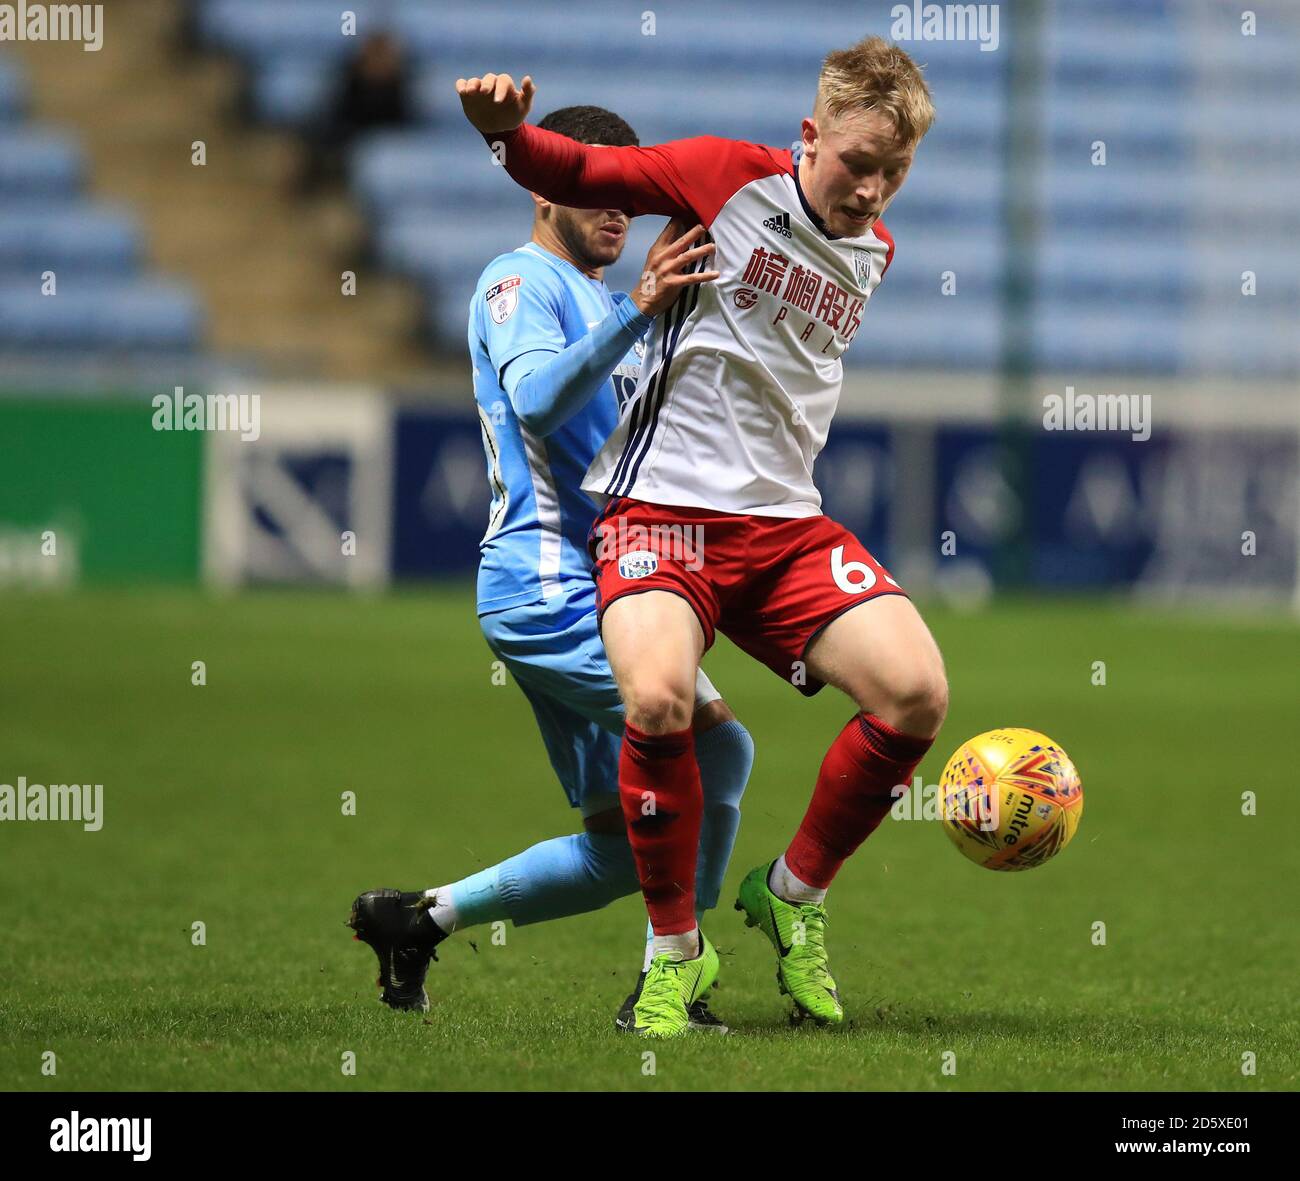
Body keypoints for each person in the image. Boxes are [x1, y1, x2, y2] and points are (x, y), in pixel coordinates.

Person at [454, 37, 947, 1038]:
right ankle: (674, 956)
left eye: (894, 171)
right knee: (660, 698)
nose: (871, 189)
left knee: (916, 693)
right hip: (665, 514)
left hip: (786, 526)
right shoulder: (727, 176)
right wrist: (509, 136)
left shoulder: (876, 249)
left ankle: (792, 893)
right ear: (810, 137)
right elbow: (585, 171)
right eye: (857, 162)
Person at [348, 106, 754, 1033]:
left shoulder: (616, 305)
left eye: (625, 192)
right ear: (544, 187)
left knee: (621, 849)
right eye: (593, 187)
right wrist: (643, 314)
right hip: (545, 585)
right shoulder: (516, 281)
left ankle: (418, 920)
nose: (616, 209)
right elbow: (535, 398)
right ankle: (678, 977)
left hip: (609, 586)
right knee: (716, 743)